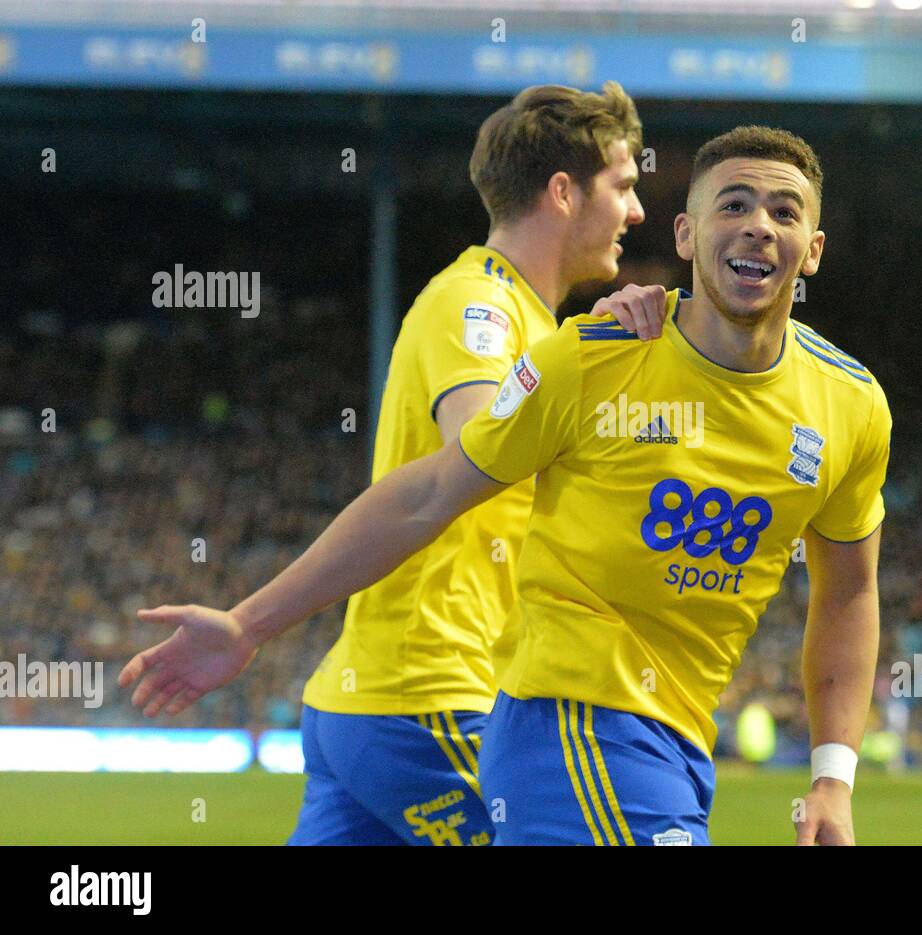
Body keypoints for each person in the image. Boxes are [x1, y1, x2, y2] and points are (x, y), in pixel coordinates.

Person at [121, 125, 891, 846]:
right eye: (735, 204)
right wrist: (250, 623)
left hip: (675, 736)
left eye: (784, 211)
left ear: (813, 249)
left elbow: (850, 592)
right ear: (687, 235)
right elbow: (430, 490)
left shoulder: (851, 406)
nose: (759, 223)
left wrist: (833, 776)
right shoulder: (587, 358)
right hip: (572, 725)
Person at [126, 81, 661, 846]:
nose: (636, 210)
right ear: (563, 192)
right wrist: (579, 360)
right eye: (624, 186)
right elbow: (475, 450)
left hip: (375, 701)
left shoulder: (531, 325)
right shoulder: (476, 303)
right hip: (433, 696)